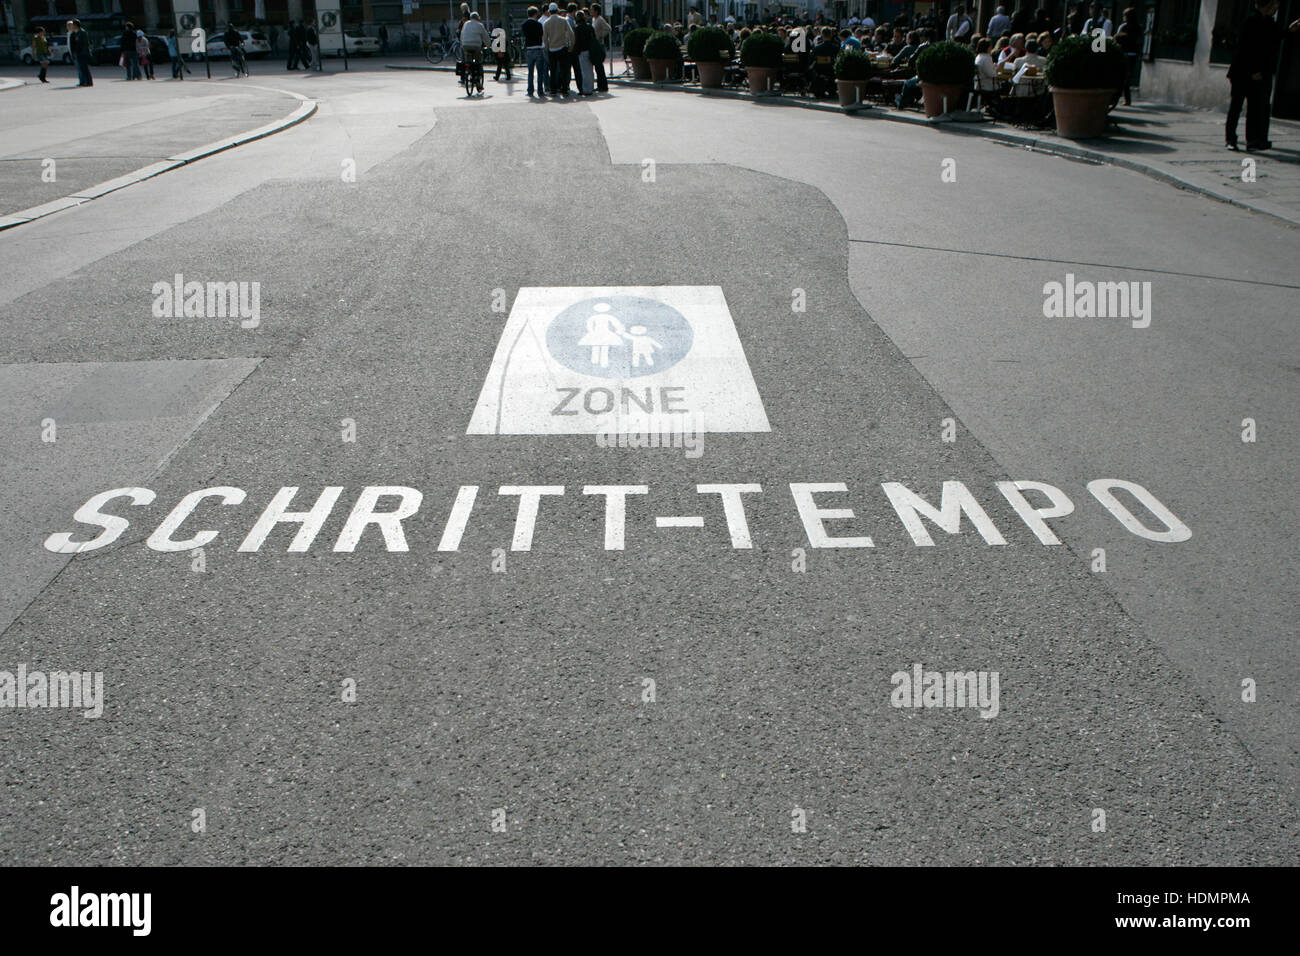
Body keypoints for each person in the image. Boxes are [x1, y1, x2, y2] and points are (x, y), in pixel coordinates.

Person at [1226, 0, 1300, 150]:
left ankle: (1252, 140)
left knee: (1254, 107)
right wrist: (1253, 71)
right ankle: (1231, 139)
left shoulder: (1268, 22)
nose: (1275, 10)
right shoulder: (1251, 21)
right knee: (1236, 107)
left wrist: (1289, 31)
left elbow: (1274, 39)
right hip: (1242, 72)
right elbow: (1245, 48)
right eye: (1273, 7)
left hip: (1258, 73)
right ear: (1265, 6)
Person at [543, 2, 574, 95]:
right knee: (564, 70)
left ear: (549, 11)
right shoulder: (563, 20)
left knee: (553, 70)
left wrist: (548, 47)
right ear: (557, 10)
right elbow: (571, 33)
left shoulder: (546, 22)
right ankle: (564, 89)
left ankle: (553, 90)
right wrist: (571, 45)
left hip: (552, 49)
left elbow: (545, 38)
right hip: (562, 47)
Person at [1113, 8, 1141, 105]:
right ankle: (1127, 99)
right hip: (1133, 54)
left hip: (1124, 53)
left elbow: (1116, 38)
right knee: (1127, 76)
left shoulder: (1123, 27)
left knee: (1122, 76)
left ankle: (1121, 97)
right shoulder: (1138, 28)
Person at [460, 9, 490, 91]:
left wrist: (462, 45)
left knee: (468, 60)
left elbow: (462, 35)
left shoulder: (465, 24)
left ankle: (468, 70)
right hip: (476, 46)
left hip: (465, 46)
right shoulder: (480, 25)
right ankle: (477, 78)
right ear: (477, 18)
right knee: (478, 60)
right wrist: (488, 45)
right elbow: (485, 37)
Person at [523, 6, 548, 96]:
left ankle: (530, 90)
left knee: (530, 72)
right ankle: (540, 90)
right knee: (540, 71)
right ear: (535, 14)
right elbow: (542, 36)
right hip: (538, 48)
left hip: (529, 49)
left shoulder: (524, 24)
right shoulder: (538, 25)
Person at [572, 9, 595, 95]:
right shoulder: (589, 26)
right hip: (590, 50)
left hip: (582, 51)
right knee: (590, 70)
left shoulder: (577, 28)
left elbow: (577, 42)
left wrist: (575, 51)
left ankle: (586, 89)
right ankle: (591, 87)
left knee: (584, 71)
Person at [591, 3, 611, 92]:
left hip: (599, 45)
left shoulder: (600, 19)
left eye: (592, 9)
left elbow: (608, 28)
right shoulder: (593, 19)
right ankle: (600, 85)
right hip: (595, 44)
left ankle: (603, 85)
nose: (591, 11)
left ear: (596, 11)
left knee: (599, 66)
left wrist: (600, 36)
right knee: (597, 67)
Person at [68, 19, 93, 86]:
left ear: (76, 25)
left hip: (82, 53)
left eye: (72, 24)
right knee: (80, 68)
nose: (71, 26)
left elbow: (85, 44)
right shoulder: (74, 33)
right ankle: (83, 81)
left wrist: (83, 53)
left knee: (84, 68)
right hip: (77, 53)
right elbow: (72, 44)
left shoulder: (82, 32)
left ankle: (88, 82)